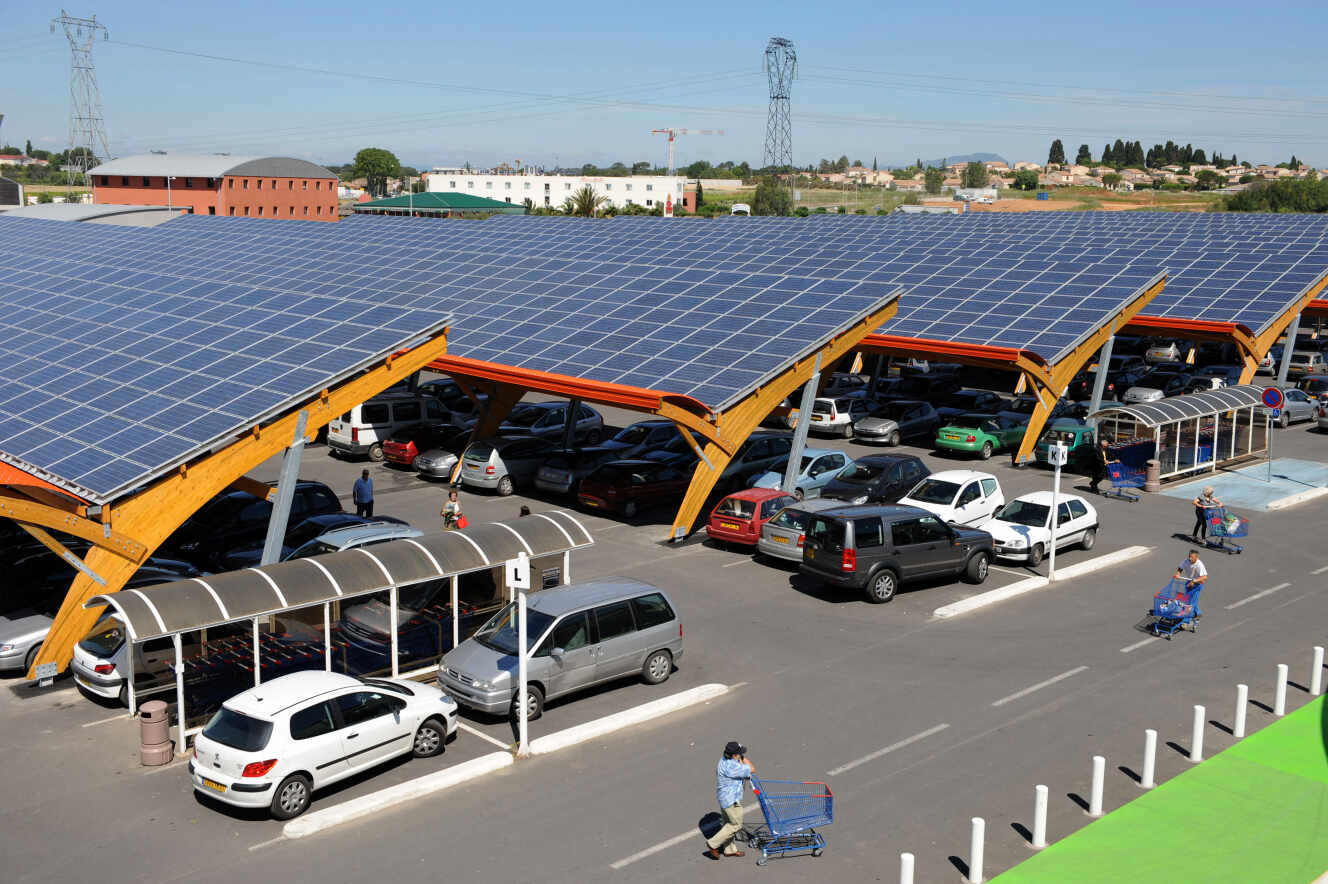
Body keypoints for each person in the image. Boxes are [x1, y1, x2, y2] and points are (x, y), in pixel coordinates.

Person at [705, 741, 754, 860]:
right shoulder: (732, 767)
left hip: (724, 797)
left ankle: (729, 850)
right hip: (731, 800)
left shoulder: (723, 760)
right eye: (739, 753)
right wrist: (743, 758)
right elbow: (752, 769)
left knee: (728, 824)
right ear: (734, 755)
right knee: (736, 824)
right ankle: (712, 844)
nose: (741, 755)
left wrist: (739, 758)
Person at [1175, 549, 1208, 618]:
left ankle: (1186, 619)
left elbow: (1204, 577)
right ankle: (1198, 613)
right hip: (1190, 581)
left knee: (1191, 602)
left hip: (1198, 584)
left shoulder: (1199, 565)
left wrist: (1194, 581)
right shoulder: (1186, 561)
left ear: (1196, 557)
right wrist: (1178, 574)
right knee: (1188, 599)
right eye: (1189, 556)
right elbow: (1180, 568)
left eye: (1192, 557)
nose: (1190, 558)